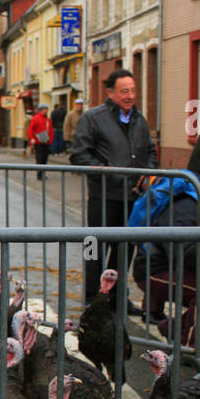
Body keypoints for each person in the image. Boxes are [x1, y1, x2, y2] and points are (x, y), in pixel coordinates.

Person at [70, 68, 156, 303]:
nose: (129, 96)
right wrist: (108, 172)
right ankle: (92, 296)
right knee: (94, 247)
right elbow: (79, 154)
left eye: (133, 90)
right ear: (110, 92)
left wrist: (147, 172)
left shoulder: (139, 119)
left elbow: (149, 150)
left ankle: (117, 296)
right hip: (103, 196)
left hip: (133, 197)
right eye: (124, 91)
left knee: (124, 249)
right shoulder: (93, 118)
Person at [130, 173, 200, 348]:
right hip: (153, 269)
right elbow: (180, 252)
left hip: (176, 268)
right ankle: (189, 347)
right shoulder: (188, 207)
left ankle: (172, 328)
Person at [27, 105, 53, 177]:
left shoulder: (48, 120)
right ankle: (39, 174)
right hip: (38, 142)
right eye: (45, 109)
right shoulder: (36, 119)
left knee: (45, 159)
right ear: (41, 110)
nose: (46, 111)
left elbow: (50, 130)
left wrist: (50, 140)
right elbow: (30, 129)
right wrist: (32, 138)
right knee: (40, 158)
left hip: (46, 142)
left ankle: (43, 173)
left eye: (46, 109)